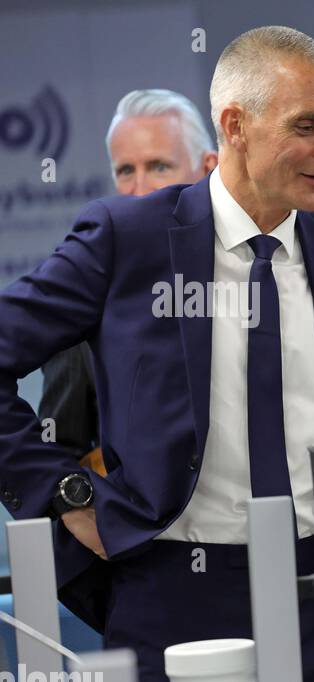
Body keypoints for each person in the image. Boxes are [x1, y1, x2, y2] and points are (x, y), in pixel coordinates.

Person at [0, 26, 314, 682]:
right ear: (235, 125)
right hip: (172, 600)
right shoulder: (125, 241)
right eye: (307, 126)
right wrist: (65, 492)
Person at [38, 89, 218, 471]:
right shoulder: (85, 301)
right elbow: (58, 456)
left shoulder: (259, 271)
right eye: (125, 171)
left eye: (159, 167)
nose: (139, 190)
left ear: (208, 169)